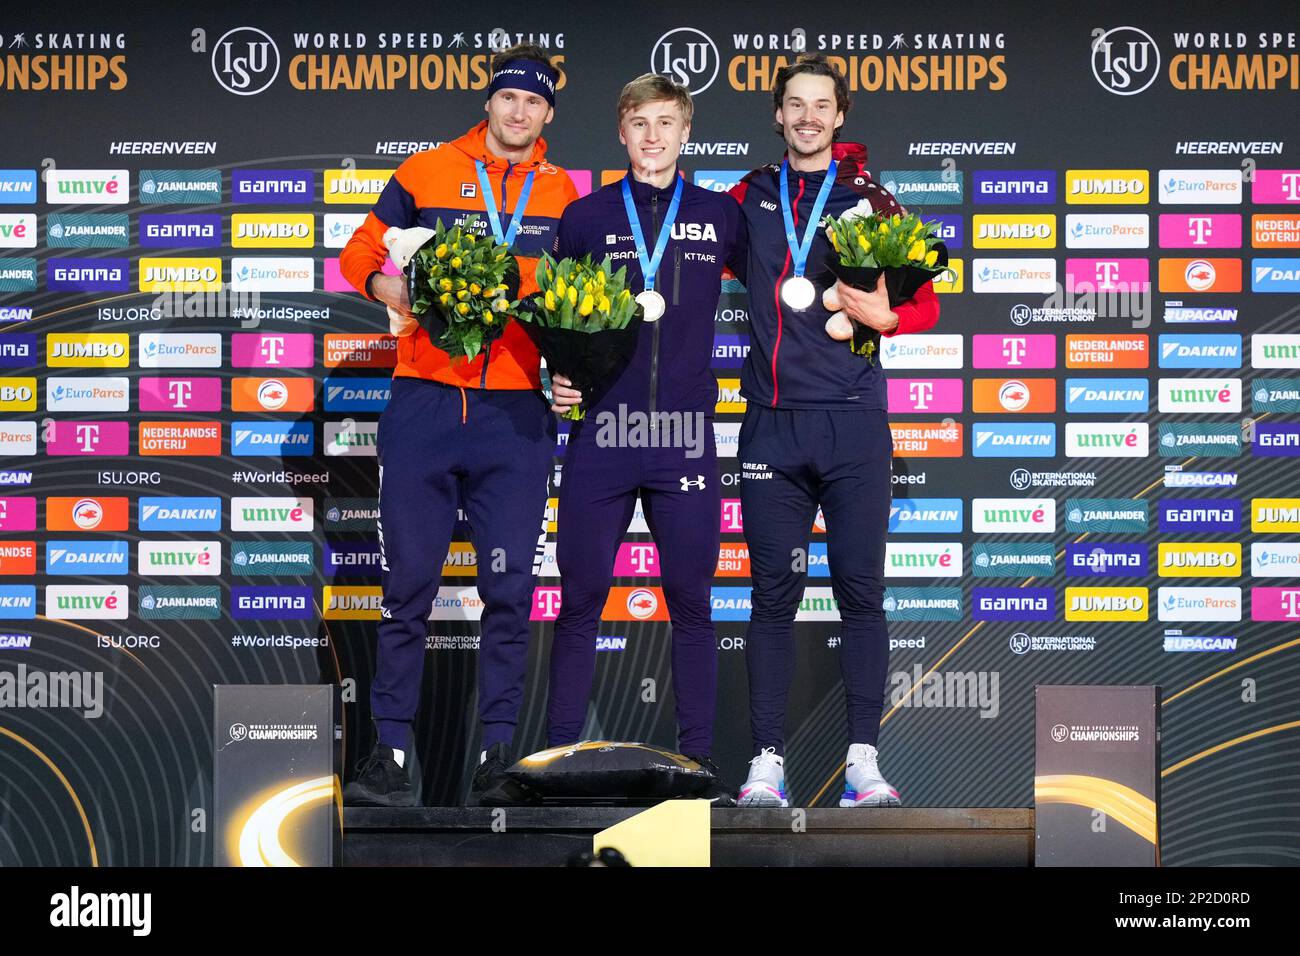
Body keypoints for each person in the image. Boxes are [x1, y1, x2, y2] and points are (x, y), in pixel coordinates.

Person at [337, 43, 579, 807]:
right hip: (426, 403)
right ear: (490, 102)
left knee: (508, 590)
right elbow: (356, 255)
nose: (518, 112)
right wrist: (391, 288)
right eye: (508, 97)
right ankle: (393, 756)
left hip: (514, 415)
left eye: (533, 102)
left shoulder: (564, 192)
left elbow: (573, 298)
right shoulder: (426, 171)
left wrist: (574, 362)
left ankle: (499, 753)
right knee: (407, 586)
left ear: (548, 113)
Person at [726, 54, 940, 808]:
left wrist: (892, 318)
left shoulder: (871, 200)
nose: (809, 116)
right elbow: (684, 283)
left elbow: (925, 304)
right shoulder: (748, 197)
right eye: (795, 104)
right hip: (772, 429)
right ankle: (765, 763)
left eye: (822, 105)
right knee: (772, 596)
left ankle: (862, 763)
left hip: (853, 424)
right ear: (778, 115)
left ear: (840, 114)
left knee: (861, 595)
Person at [546, 73, 746, 801]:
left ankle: (698, 767)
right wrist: (556, 377)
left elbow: (784, 289)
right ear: (621, 132)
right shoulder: (584, 214)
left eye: (667, 122)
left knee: (692, 600)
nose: (653, 136)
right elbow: (559, 320)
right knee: (580, 598)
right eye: (640, 123)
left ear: (686, 132)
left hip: (684, 436)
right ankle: (559, 765)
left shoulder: (722, 215)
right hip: (604, 430)